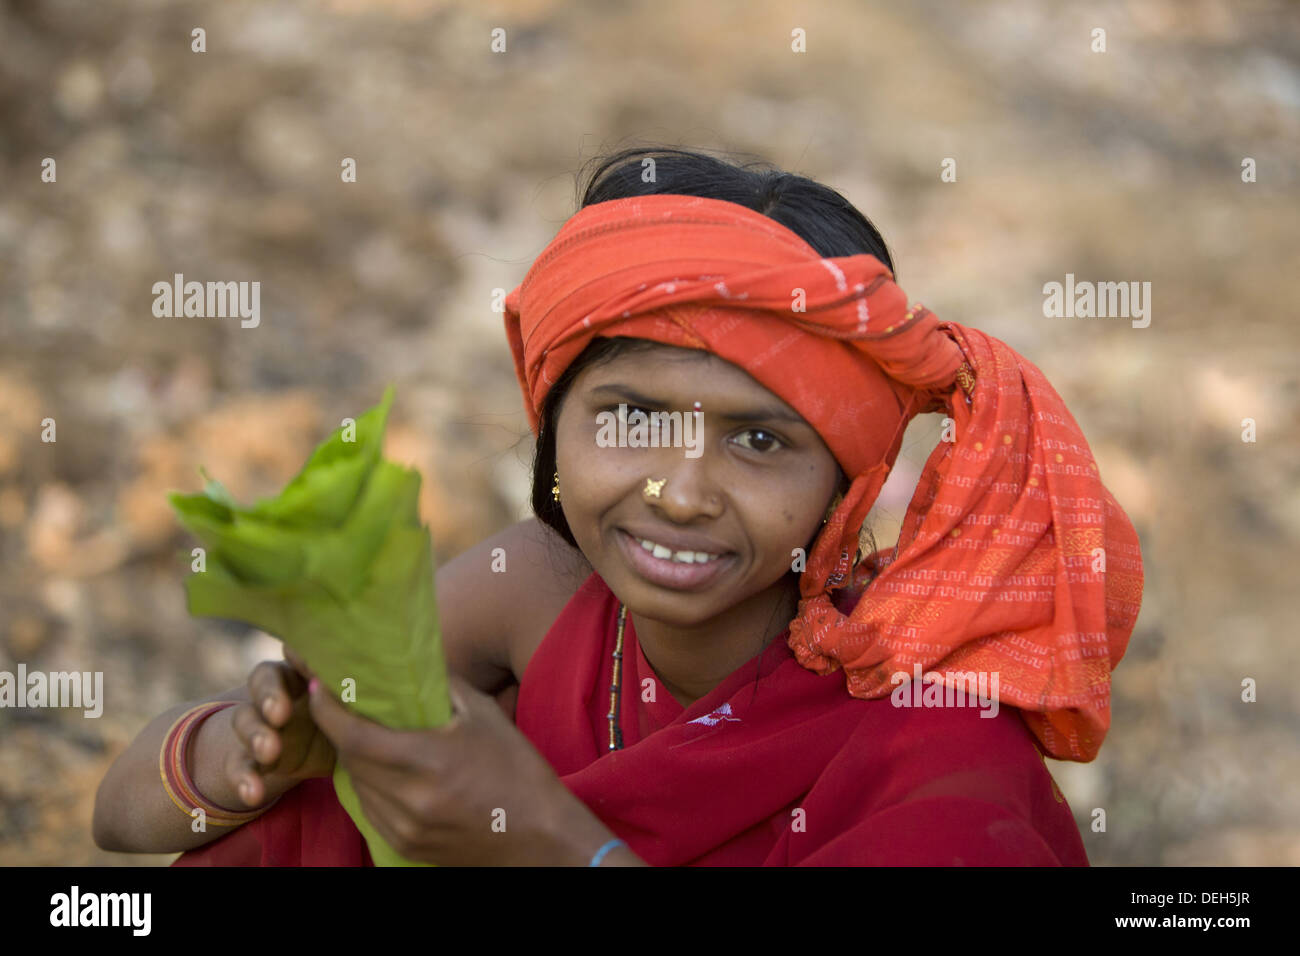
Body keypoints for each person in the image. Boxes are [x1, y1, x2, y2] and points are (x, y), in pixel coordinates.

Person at [93, 147, 1143, 866]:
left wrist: (545, 840)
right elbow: (121, 821)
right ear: (552, 429)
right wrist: (241, 754)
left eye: (762, 440)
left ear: (847, 480)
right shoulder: (534, 590)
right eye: (630, 416)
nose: (681, 491)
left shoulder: (937, 743)